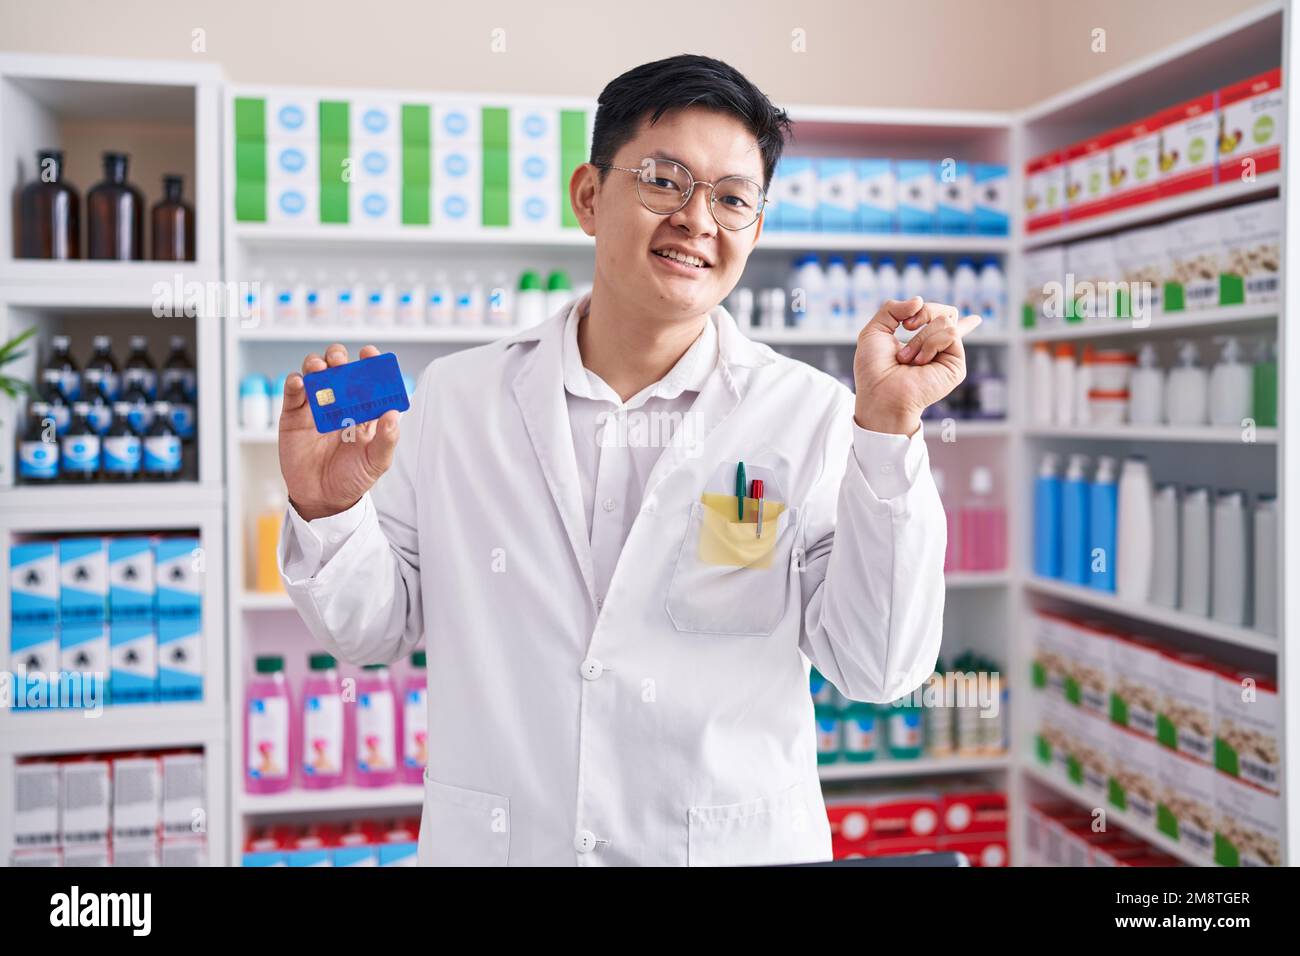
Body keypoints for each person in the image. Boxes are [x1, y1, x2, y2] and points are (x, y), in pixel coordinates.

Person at [277, 54, 978, 866]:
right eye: (663, 180)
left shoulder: (812, 415)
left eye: (731, 199)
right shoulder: (459, 396)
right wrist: (329, 510)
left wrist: (889, 433)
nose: (697, 220)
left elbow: (879, 667)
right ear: (588, 196)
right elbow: (375, 630)